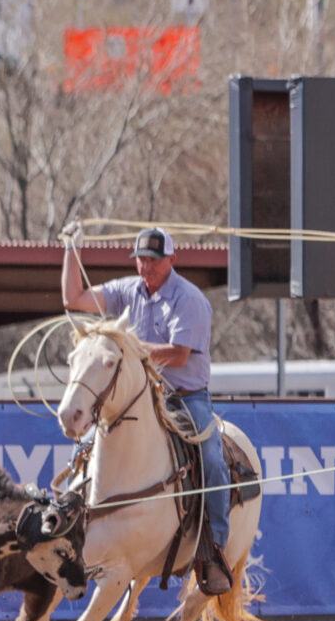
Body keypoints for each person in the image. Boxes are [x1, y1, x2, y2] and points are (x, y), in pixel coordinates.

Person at [61, 225, 233, 595]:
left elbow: (179, 355)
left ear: (172, 260)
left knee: (212, 458)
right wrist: (71, 251)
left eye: (154, 260)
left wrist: (128, 348)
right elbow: (75, 298)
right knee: (87, 449)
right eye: (141, 259)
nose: (146, 266)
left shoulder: (189, 299)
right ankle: (70, 527)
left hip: (185, 398)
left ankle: (214, 549)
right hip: (139, 396)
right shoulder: (127, 290)